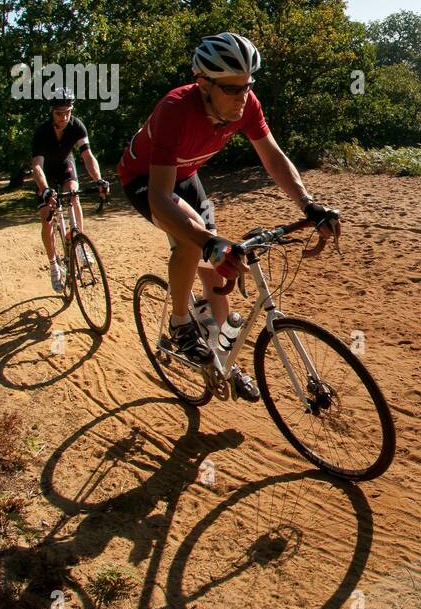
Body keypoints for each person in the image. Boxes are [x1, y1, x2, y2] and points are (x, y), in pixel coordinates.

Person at [116, 32, 336, 402]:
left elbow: (272, 157)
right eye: (232, 89)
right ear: (203, 84)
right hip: (146, 180)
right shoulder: (175, 109)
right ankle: (181, 323)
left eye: (248, 87)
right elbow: (159, 196)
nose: (242, 97)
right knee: (193, 241)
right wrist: (208, 241)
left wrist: (308, 205)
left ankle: (224, 362)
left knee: (220, 270)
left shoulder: (247, 105)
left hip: (186, 176)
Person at [32, 88, 110, 291]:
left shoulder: (77, 126)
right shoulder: (42, 132)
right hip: (46, 174)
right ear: (51, 111)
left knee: (74, 195)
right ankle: (54, 266)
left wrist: (99, 179)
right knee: (46, 217)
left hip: (66, 166)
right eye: (59, 113)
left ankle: (80, 244)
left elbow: (87, 156)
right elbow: (37, 167)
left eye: (68, 112)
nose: (64, 117)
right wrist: (46, 189)